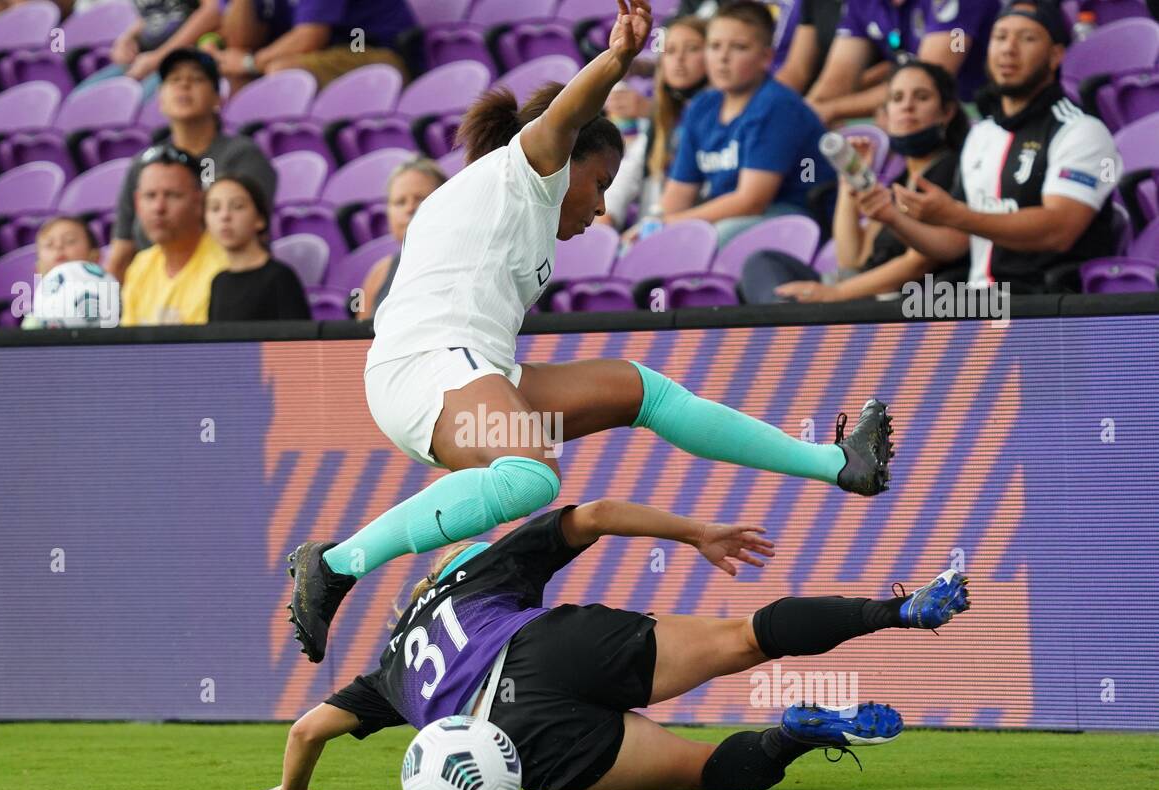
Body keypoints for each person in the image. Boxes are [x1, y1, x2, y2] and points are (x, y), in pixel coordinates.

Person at [283, 0, 895, 667]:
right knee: (531, 477)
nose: (603, 205)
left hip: (466, 367)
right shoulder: (522, 174)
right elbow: (566, 117)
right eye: (600, 182)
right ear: (564, 160)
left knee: (640, 391)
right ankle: (336, 564)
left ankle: (837, 464)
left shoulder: (511, 200)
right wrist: (618, 58)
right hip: (425, 367)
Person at [254, 499, 971, 790]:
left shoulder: (388, 671)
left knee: (708, 770)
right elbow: (594, 514)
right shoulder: (478, 570)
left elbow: (306, 731)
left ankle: (790, 736)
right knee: (747, 635)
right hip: (550, 646)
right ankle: (899, 609)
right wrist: (696, 533)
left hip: (513, 736)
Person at [869, 0, 1120, 294]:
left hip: (1047, 305)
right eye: (1000, 37)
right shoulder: (981, 134)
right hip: (981, 304)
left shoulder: (1081, 131)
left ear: (1055, 56)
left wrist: (956, 215)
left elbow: (1059, 230)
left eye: (1027, 38)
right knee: (898, 312)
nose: (1008, 49)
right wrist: (893, 218)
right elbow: (955, 243)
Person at [740, 60, 970, 304]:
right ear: (884, 114)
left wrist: (835, 294)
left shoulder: (955, 169)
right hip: (862, 292)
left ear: (947, 111)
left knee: (777, 293)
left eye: (922, 97)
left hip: (908, 301)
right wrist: (848, 181)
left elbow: (918, 264)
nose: (907, 106)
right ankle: (788, 318)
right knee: (763, 263)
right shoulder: (898, 182)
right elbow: (851, 261)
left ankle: (789, 321)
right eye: (897, 98)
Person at [624, 2, 834, 249]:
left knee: (708, 240)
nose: (723, 58)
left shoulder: (777, 105)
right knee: (640, 245)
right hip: (735, 218)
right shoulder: (702, 106)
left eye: (739, 47)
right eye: (714, 46)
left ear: (766, 58)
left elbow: (751, 201)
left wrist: (670, 226)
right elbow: (678, 194)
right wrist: (653, 227)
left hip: (793, 218)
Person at [105, 49, 276, 283]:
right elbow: (121, 251)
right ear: (160, 99)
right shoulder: (144, 164)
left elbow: (248, 236)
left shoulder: (242, 156)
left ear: (218, 98)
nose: (184, 85)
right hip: (155, 285)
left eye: (196, 79)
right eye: (174, 80)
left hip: (228, 280)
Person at [805, 0, 1001, 127]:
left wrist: (831, 110)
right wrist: (803, 112)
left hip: (985, 113)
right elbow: (836, 80)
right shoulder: (861, 3)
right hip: (924, 116)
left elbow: (923, 83)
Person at [596, 15, 707, 232]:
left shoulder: (716, 117)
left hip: (691, 230)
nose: (679, 59)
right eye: (670, 51)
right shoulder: (658, 123)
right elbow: (629, 173)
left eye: (692, 49)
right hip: (652, 230)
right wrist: (606, 217)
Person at [119, 144, 229, 325]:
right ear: (137, 203)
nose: (159, 208)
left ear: (199, 202)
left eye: (172, 195)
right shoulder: (140, 266)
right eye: (150, 196)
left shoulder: (225, 267)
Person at [212, 0, 416, 92]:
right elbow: (240, 42)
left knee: (285, 72)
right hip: (322, 54)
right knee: (233, 77)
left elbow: (310, 36)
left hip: (377, 53)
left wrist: (250, 63)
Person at [205, 174, 311, 321]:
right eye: (215, 208)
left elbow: (298, 334)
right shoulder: (219, 282)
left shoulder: (280, 277)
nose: (224, 216)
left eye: (237, 206)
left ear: (260, 219)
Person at [357, 156, 446, 321]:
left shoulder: (463, 263)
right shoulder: (378, 273)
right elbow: (358, 331)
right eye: (400, 202)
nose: (410, 208)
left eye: (420, 199)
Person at [76, 0, 222, 97]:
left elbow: (214, 10)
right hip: (142, 58)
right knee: (80, 100)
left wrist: (158, 57)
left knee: (133, 105)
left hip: (182, 57)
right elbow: (155, 13)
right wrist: (127, 38)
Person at [21, 217, 112, 329]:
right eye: (49, 244)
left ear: (95, 256)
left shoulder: (115, 300)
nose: (58, 246)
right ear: (38, 267)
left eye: (70, 241)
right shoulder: (35, 320)